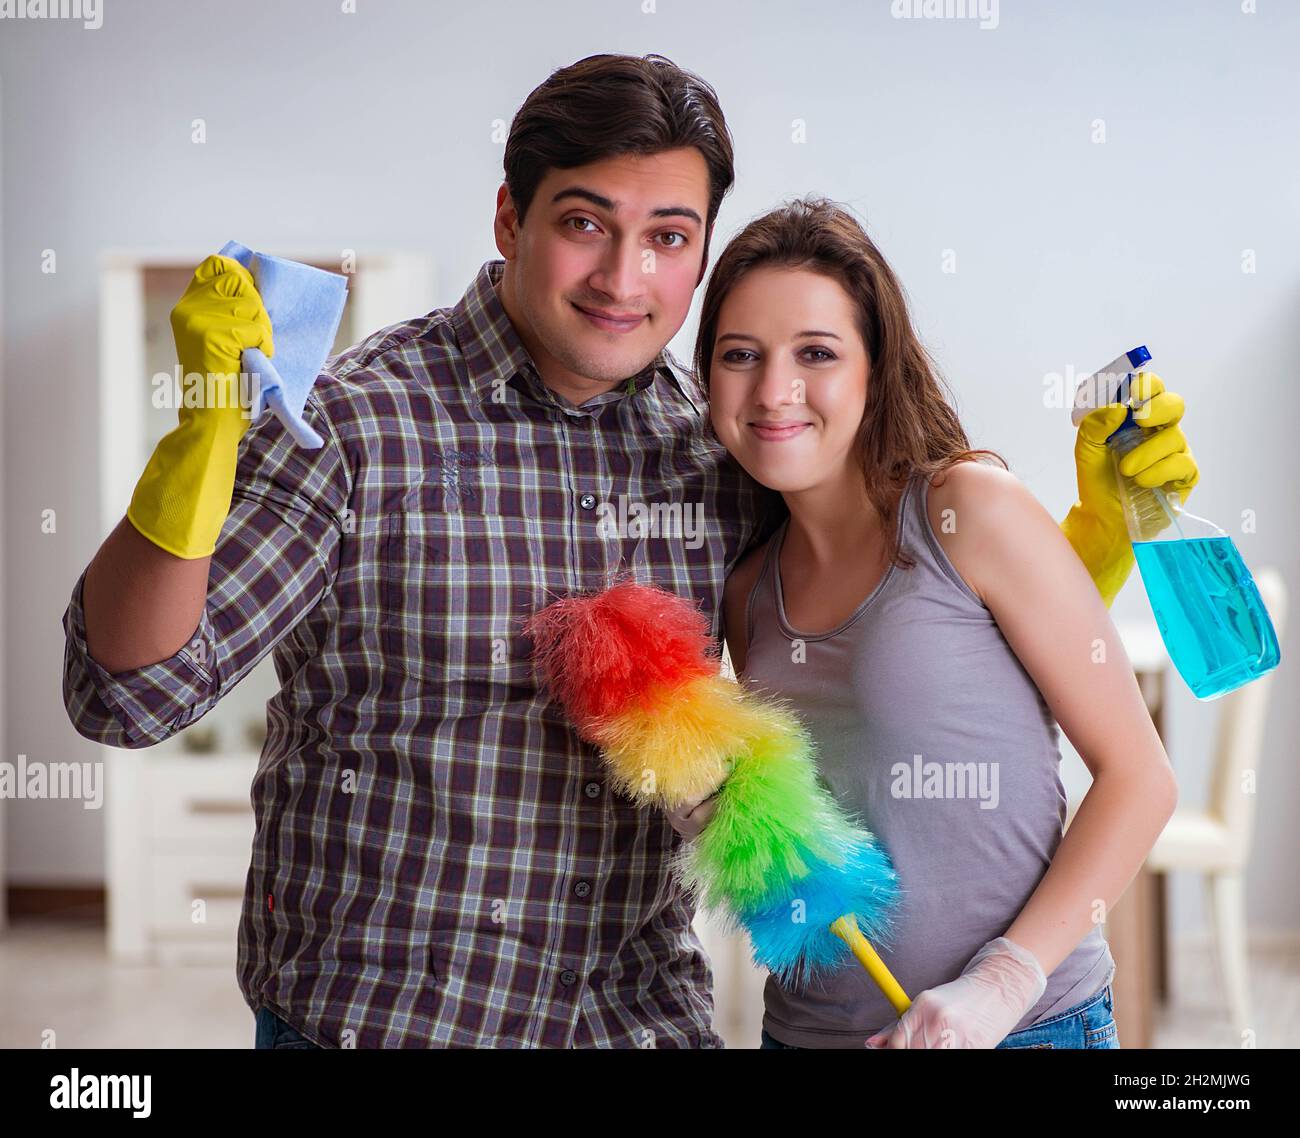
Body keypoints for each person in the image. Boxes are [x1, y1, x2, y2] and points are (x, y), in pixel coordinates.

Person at [61, 55, 1195, 1049]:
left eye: (667, 238)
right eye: (583, 222)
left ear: (697, 258)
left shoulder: (715, 449)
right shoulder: (360, 424)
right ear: (510, 218)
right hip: (390, 1020)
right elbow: (131, 695)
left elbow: (882, 623)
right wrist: (203, 436)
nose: (622, 277)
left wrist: (1084, 548)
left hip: (637, 1019)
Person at [688, 196, 1186, 1049]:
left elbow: (1141, 780)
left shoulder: (969, 509)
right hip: (807, 1035)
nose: (775, 391)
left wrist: (999, 987)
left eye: (817, 353)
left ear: (875, 371)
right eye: (741, 355)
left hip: (1023, 1031)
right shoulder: (747, 592)